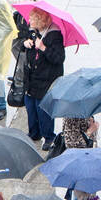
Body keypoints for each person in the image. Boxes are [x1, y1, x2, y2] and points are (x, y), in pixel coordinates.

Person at [22, 8, 65, 149]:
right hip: (32, 77)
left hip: (46, 79)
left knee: (43, 109)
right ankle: (34, 132)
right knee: (30, 105)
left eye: (33, 19)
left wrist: (43, 48)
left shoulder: (55, 36)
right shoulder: (33, 31)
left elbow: (59, 58)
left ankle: (48, 136)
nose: (30, 21)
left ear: (41, 20)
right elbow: (24, 40)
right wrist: (26, 43)